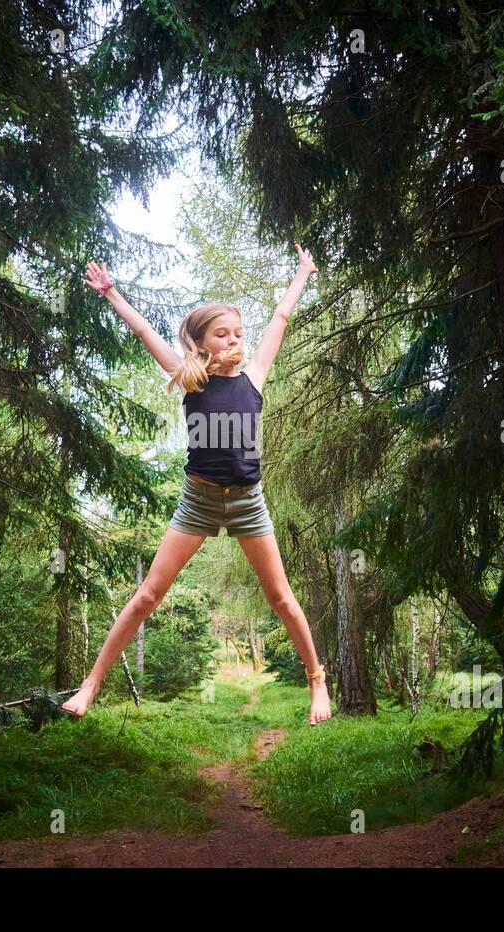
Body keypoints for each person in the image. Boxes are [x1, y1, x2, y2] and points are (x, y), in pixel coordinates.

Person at [62, 244, 333, 726]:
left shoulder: (254, 377)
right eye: (222, 333)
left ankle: (317, 681)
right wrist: (111, 294)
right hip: (198, 503)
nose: (235, 340)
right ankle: (92, 683)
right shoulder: (190, 380)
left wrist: (303, 273)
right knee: (148, 595)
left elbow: (282, 317)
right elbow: (144, 330)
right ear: (203, 343)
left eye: (238, 332)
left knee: (280, 597)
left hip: (249, 503)